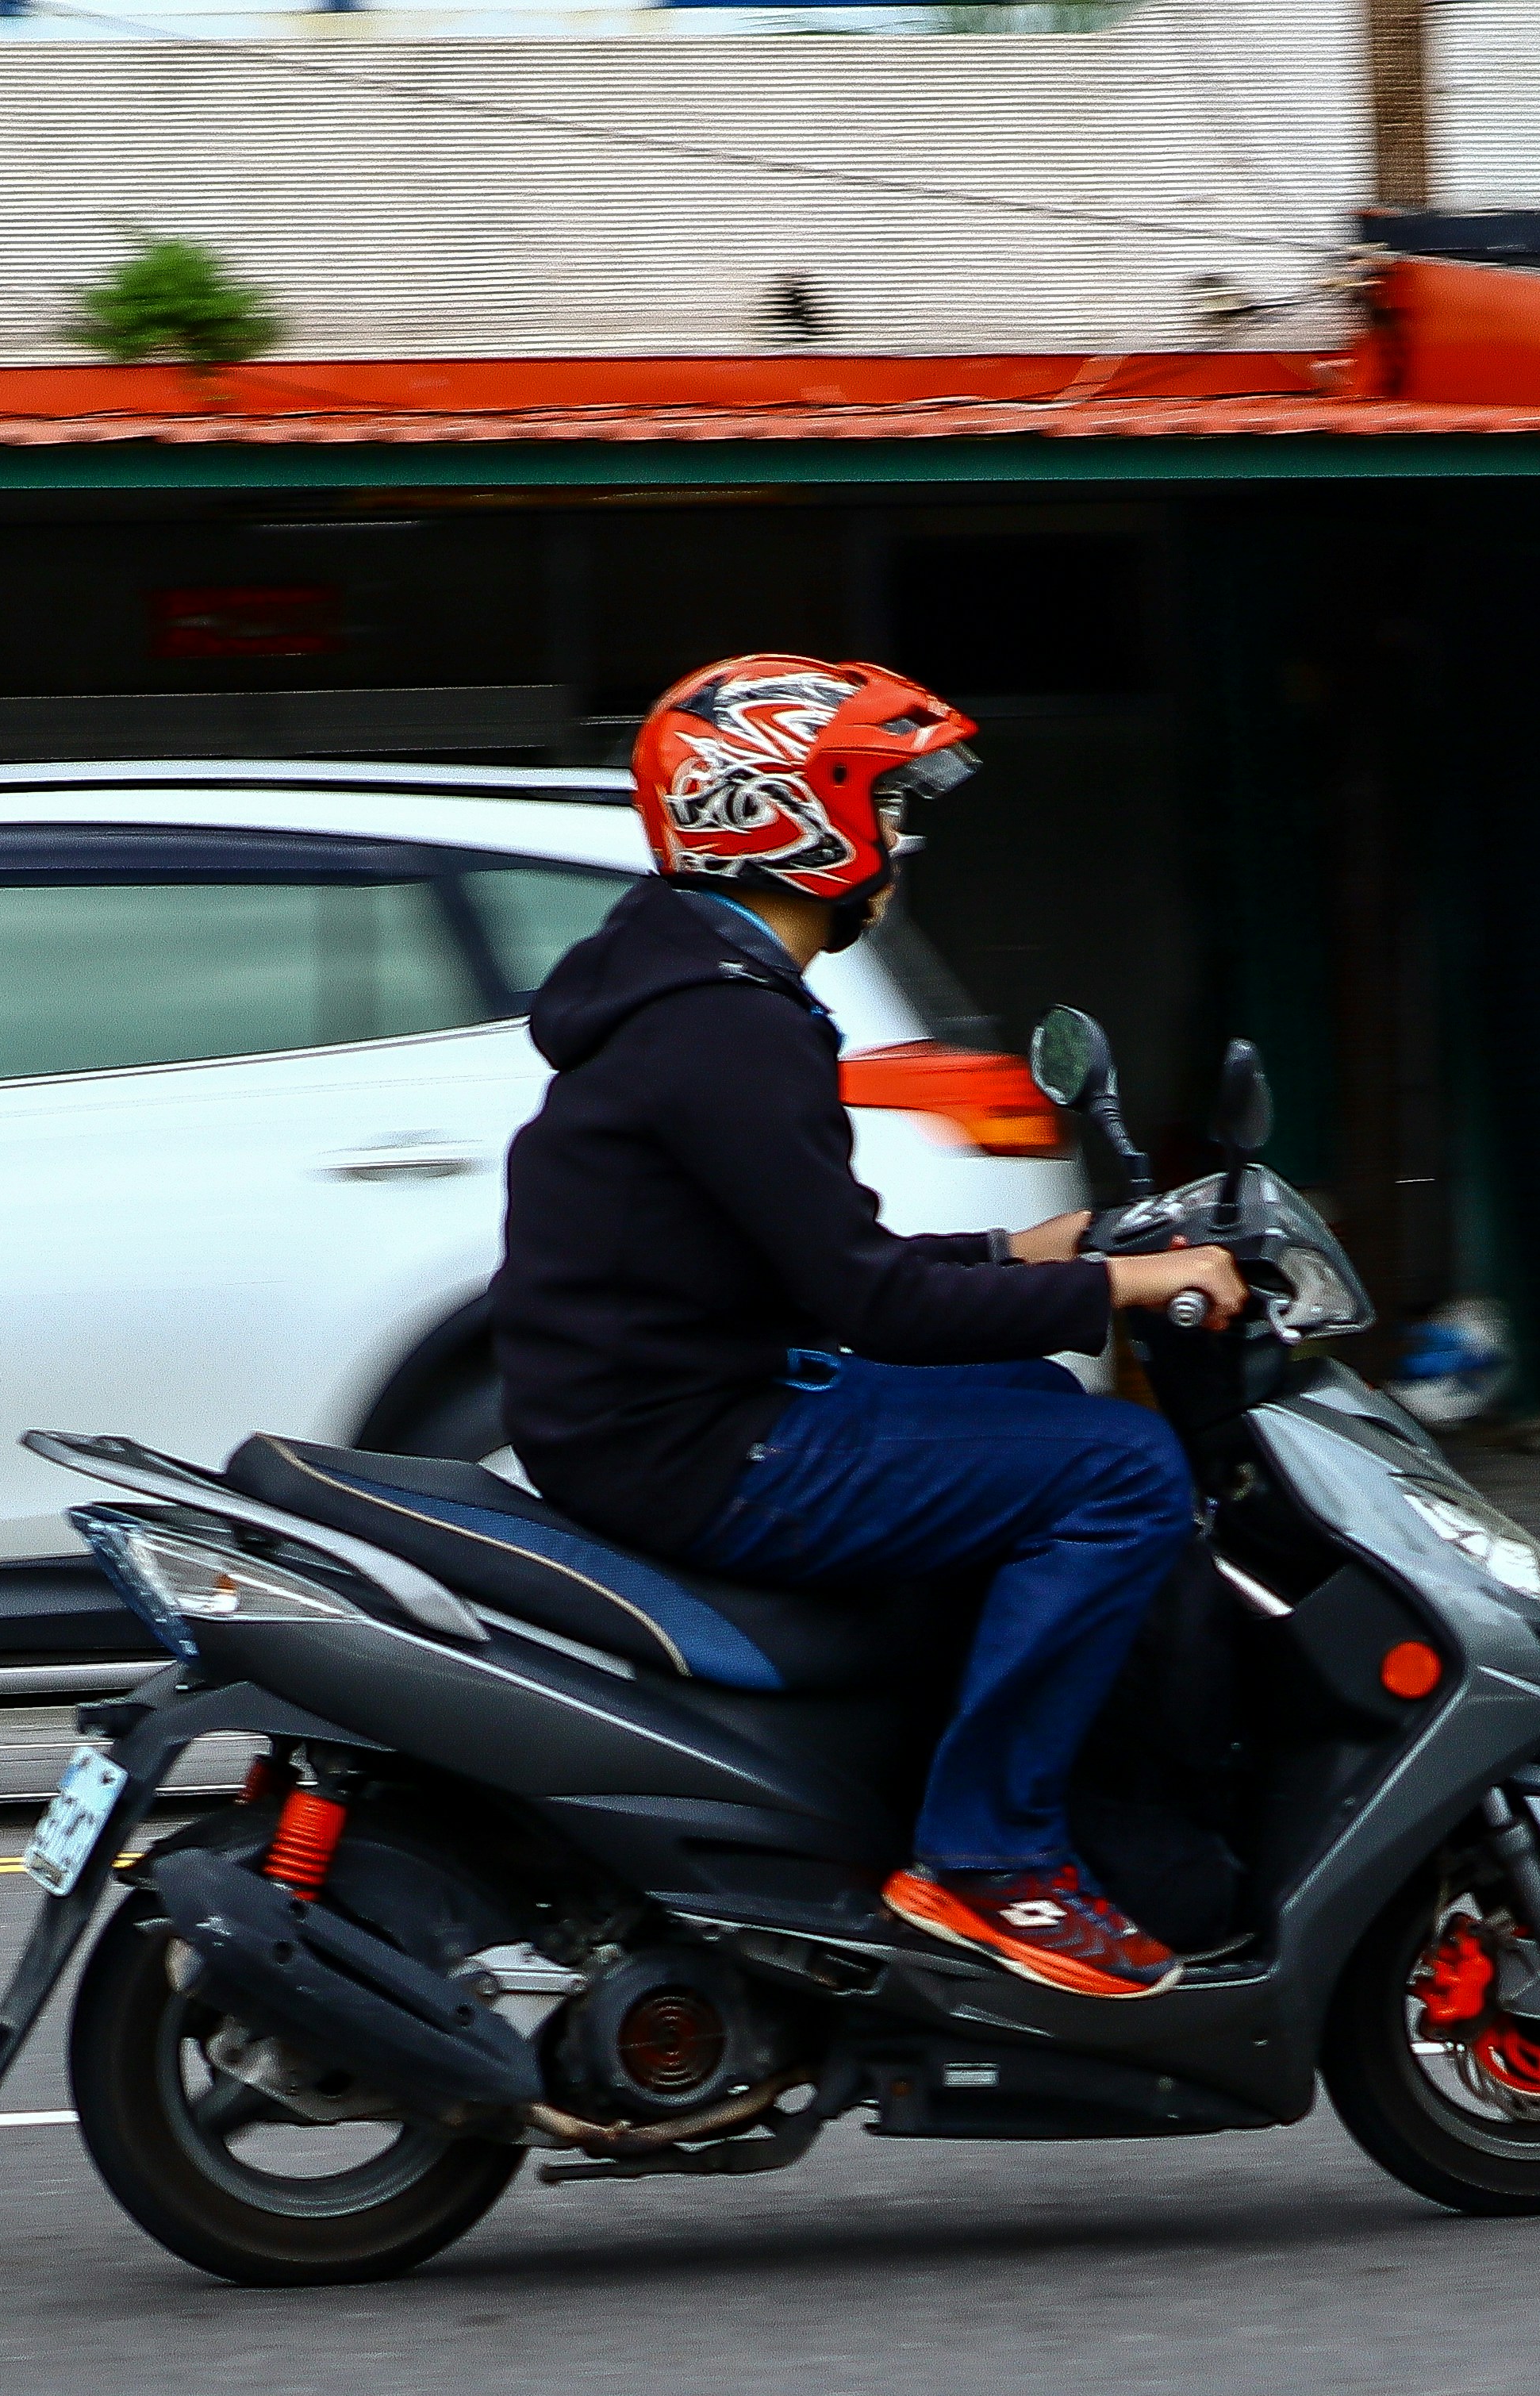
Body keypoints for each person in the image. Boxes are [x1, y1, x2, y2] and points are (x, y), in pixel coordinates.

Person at [493, 654, 1245, 2000]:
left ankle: (936, 1771)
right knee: (1128, 1472)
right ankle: (990, 1859)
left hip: (673, 1407)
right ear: (792, 814)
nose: (902, 837)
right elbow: (867, 1304)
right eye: (883, 802)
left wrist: (1029, 1250)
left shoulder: (693, 996)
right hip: (701, 1444)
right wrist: (1119, 1289)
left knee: (1032, 1397)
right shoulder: (729, 1026)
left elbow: (816, 1263)